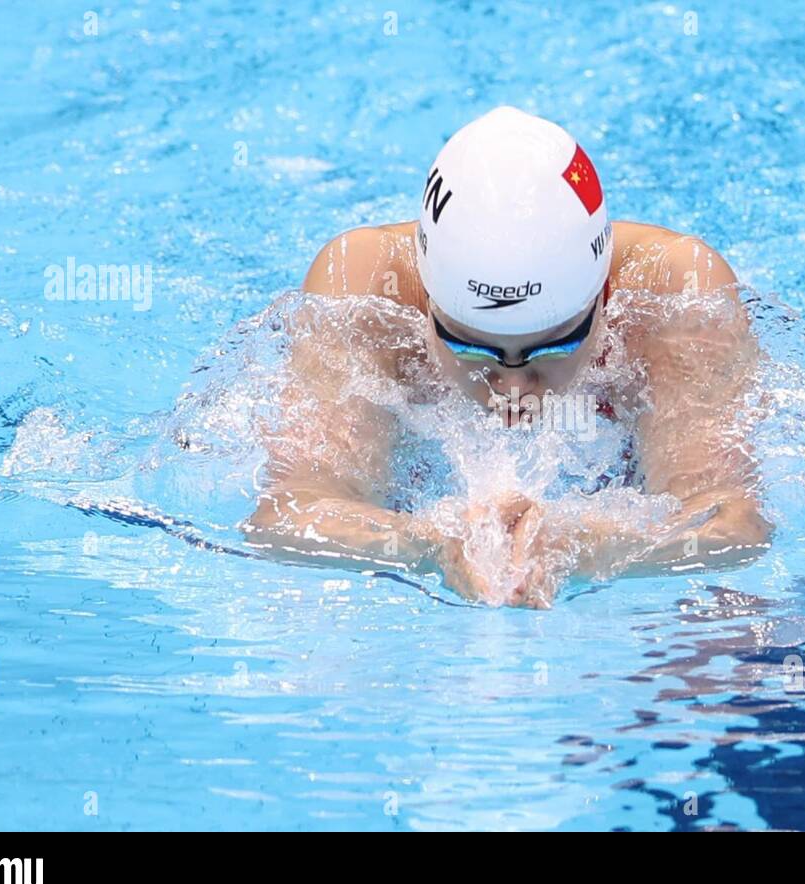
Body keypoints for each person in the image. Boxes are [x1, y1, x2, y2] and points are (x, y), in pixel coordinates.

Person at [245, 106, 770, 607]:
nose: (513, 388)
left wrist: (592, 547)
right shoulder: (365, 294)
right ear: (425, 305)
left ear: (605, 297)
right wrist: (429, 546)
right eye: (469, 347)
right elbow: (288, 514)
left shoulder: (674, 296)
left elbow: (733, 523)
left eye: (554, 346)